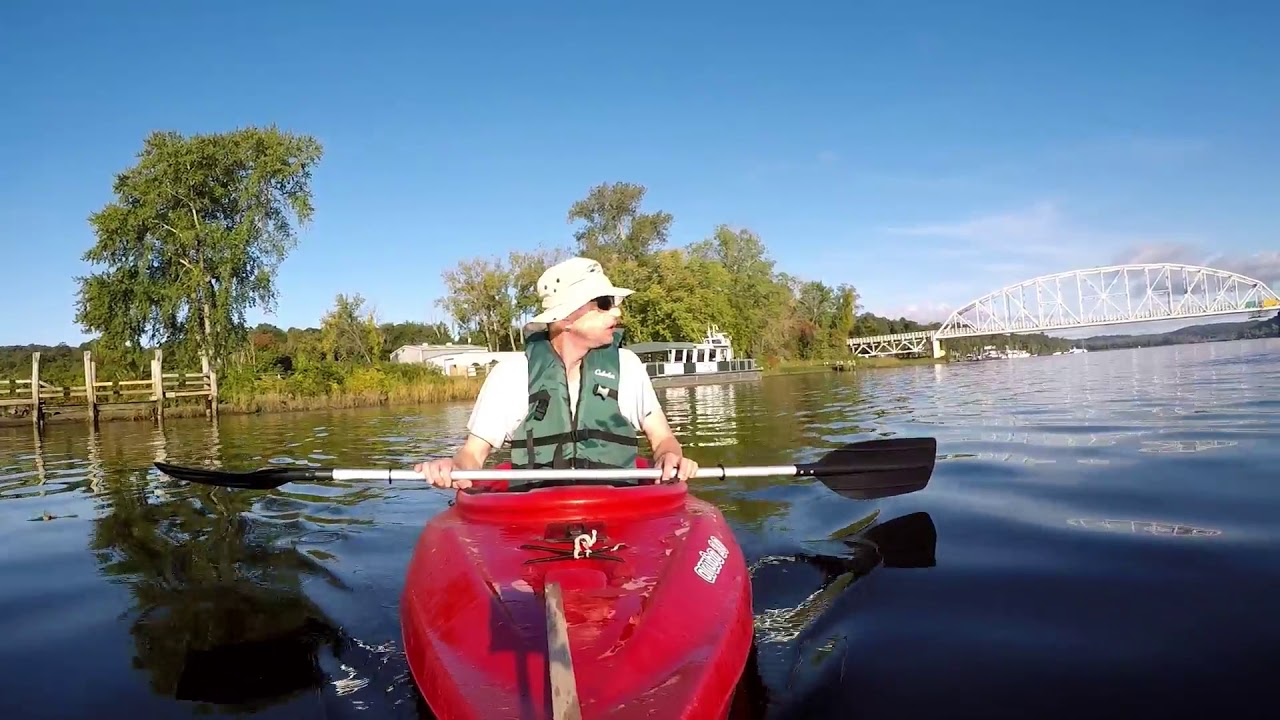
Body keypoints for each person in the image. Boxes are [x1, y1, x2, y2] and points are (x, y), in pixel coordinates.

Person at [415, 256, 699, 489]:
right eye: (603, 304)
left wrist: (669, 456)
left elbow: (662, 438)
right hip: (535, 513)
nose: (616, 314)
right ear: (565, 318)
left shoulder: (628, 366)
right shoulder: (511, 375)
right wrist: (453, 467)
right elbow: (473, 455)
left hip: (619, 508)